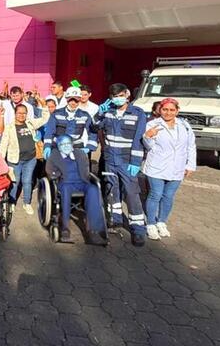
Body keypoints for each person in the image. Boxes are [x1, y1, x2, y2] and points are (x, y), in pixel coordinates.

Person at [95, 83, 148, 246]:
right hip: (110, 160)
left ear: (127, 94)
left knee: (132, 194)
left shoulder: (137, 113)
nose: (117, 99)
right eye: (114, 97)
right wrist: (99, 114)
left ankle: (138, 229)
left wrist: (135, 162)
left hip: (127, 162)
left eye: (119, 96)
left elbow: (139, 140)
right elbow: (95, 127)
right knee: (112, 191)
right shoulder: (108, 112)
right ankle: (115, 220)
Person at [142, 98, 196, 240]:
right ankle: (151, 224)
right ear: (160, 110)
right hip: (157, 166)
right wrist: (147, 136)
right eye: (165, 109)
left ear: (177, 111)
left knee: (169, 196)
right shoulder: (153, 124)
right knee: (155, 194)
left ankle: (161, 222)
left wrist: (190, 165)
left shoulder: (184, 125)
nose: (168, 112)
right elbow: (148, 146)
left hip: (177, 167)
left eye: (172, 110)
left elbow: (191, 146)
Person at [45, 135, 107, 245]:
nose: (66, 146)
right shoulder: (54, 156)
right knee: (65, 190)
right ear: (58, 147)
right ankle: (65, 228)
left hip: (81, 182)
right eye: (62, 145)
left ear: (72, 145)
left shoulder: (80, 154)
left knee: (93, 189)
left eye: (68, 144)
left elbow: (87, 172)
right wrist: (56, 175)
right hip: (65, 183)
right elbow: (49, 171)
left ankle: (93, 231)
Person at [0, 104, 47, 215]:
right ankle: (11, 202)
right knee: (14, 182)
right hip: (15, 160)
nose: (21, 115)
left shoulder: (30, 123)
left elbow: (45, 118)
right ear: (15, 114)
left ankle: (27, 203)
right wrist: (1, 160)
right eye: (19, 113)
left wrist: (44, 106)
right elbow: (3, 144)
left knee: (27, 181)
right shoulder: (9, 127)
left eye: (24, 113)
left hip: (30, 159)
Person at [42, 87, 98, 153]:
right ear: (66, 99)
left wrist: (89, 147)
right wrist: (47, 146)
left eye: (76, 100)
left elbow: (92, 132)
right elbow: (49, 131)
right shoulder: (56, 114)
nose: (73, 103)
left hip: (76, 148)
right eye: (71, 100)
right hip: (58, 147)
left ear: (80, 99)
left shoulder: (85, 115)